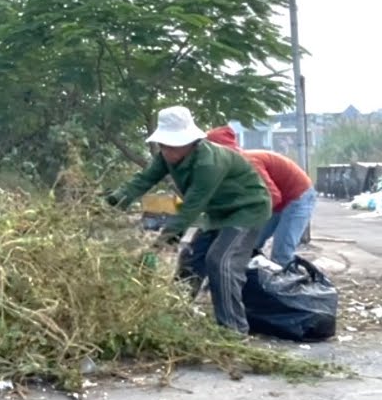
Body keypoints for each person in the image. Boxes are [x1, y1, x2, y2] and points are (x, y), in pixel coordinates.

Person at [106, 106, 271, 335]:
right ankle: (176, 318)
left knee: (220, 261)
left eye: (172, 146)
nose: (167, 151)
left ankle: (233, 330)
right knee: (192, 260)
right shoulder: (166, 157)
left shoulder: (209, 163)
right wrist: (112, 202)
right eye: (163, 145)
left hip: (247, 210)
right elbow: (143, 180)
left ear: (190, 142)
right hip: (217, 213)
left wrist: (165, 239)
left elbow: (192, 206)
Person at [204, 126, 317, 267]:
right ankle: (252, 275)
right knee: (250, 243)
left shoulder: (249, 163)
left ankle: (285, 278)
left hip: (298, 196)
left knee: (281, 252)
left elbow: (273, 196)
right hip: (277, 201)